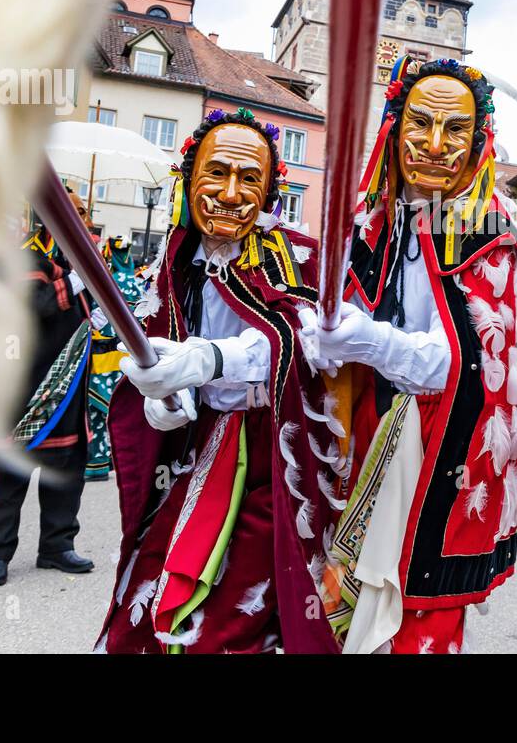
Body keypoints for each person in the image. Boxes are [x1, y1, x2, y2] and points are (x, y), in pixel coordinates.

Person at [301, 58, 517, 654]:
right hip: (358, 433)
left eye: (455, 130)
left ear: (479, 140)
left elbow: (465, 366)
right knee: (332, 613)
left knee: (416, 629)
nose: (433, 145)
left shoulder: (487, 228)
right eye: (420, 124)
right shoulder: (366, 226)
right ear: (393, 128)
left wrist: (367, 340)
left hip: (436, 451)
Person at [97, 107, 340, 654]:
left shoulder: (295, 254)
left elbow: (305, 341)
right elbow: (158, 338)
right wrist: (162, 394)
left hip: (268, 452)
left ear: (272, 190)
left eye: (250, 178)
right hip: (190, 447)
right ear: (189, 177)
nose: (231, 194)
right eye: (218, 173)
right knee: (150, 583)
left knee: (235, 613)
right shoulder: (177, 254)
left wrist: (208, 359)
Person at [0, 189, 96, 587]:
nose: (82, 217)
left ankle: (56, 546)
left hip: (67, 389)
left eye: (83, 211)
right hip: (23, 384)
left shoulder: (73, 255)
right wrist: (80, 282)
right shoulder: (23, 252)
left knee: (64, 471)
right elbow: (36, 302)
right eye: (73, 210)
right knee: (12, 470)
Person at [85, 236, 143, 481]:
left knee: (96, 410)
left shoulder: (106, 281)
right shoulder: (138, 283)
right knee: (122, 408)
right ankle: (124, 458)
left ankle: (97, 461)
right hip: (127, 354)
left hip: (103, 352)